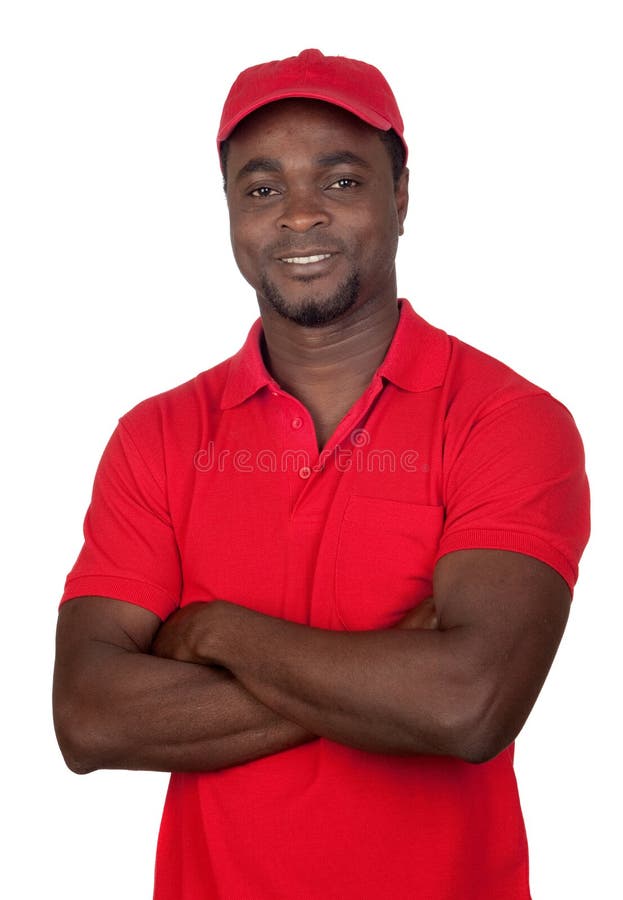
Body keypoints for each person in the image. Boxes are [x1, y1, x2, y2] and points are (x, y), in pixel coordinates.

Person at [53, 49, 590, 899]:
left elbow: (468, 704)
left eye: (339, 182)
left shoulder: (506, 419)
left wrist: (218, 633)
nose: (299, 216)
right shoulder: (155, 438)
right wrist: (388, 674)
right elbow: (88, 718)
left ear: (401, 196)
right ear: (228, 211)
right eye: (261, 189)